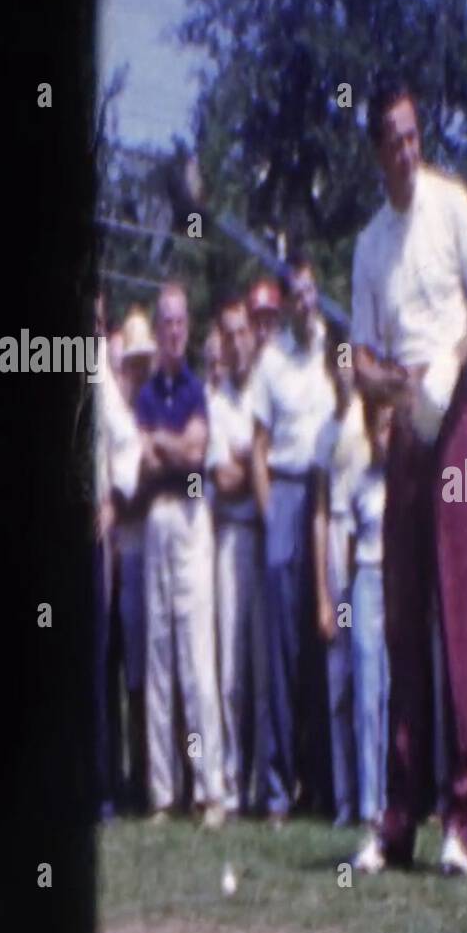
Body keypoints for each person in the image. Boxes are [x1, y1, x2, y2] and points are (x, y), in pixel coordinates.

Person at [349, 76, 467, 876]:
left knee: (459, 610)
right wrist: (390, 386)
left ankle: (463, 818)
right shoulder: (370, 242)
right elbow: (360, 359)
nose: (407, 151)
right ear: (377, 149)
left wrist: (447, 366)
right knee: (402, 617)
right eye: (393, 140)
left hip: (460, 412)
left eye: (414, 135)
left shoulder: (452, 203)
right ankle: (399, 815)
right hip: (405, 421)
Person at [136, 282, 225, 828]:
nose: (171, 331)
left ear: (187, 328)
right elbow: (145, 461)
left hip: (192, 516)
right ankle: (163, 793)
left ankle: (209, 788)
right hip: (158, 517)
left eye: (178, 322)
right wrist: (173, 446)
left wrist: (165, 445)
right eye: (164, 322)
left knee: (197, 657)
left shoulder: (195, 389)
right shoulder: (147, 392)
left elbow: (195, 453)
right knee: (159, 657)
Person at [252, 255, 336, 825]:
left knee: (323, 644)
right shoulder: (271, 362)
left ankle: (326, 785)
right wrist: (268, 515)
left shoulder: (332, 351)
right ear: (287, 301)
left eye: (313, 291)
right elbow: (256, 450)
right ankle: (278, 789)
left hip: (327, 498)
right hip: (284, 493)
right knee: (281, 654)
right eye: (297, 294)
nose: (305, 302)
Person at [208, 296, 271, 817]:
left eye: (241, 330)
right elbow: (223, 480)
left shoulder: (265, 391)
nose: (235, 340)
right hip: (231, 536)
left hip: (268, 534)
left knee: (263, 668)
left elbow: (250, 466)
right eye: (226, 333)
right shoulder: (217, 400)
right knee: (231, 666)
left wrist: (248, 460)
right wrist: (255, 461)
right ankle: (230, 779)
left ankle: (265, 784)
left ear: (253, 333)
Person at [313, 331, 370, 828]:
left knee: (374, 675)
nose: (347, 371)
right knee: (339, 684)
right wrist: (322, 595)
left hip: (366, 542)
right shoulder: (326, 432)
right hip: (334, 545)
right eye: (340, 363)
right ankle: (346, 798)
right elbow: (317, 513)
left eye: (353, 361)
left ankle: (379, 793)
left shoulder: (369, 422)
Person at [110, 309, 157, 815]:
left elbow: (142, 487)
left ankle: (143, 774)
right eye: (133, 363)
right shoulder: (118, 414)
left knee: (142, 673)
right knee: (115, 667)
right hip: (118, 549)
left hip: (141, 549)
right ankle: (120, 773)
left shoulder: (144, 413)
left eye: (145, 362)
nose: (139, 372)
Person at [348, 399, 393, 825]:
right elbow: (344, 546)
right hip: (366, 578)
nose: (387, 438)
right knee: (367, 692)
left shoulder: (407, 483)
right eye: (380, 429)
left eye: (392, 428)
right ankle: (367, 801)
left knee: (394, 692)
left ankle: (395, 797)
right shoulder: (360, 483)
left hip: (397, 581)